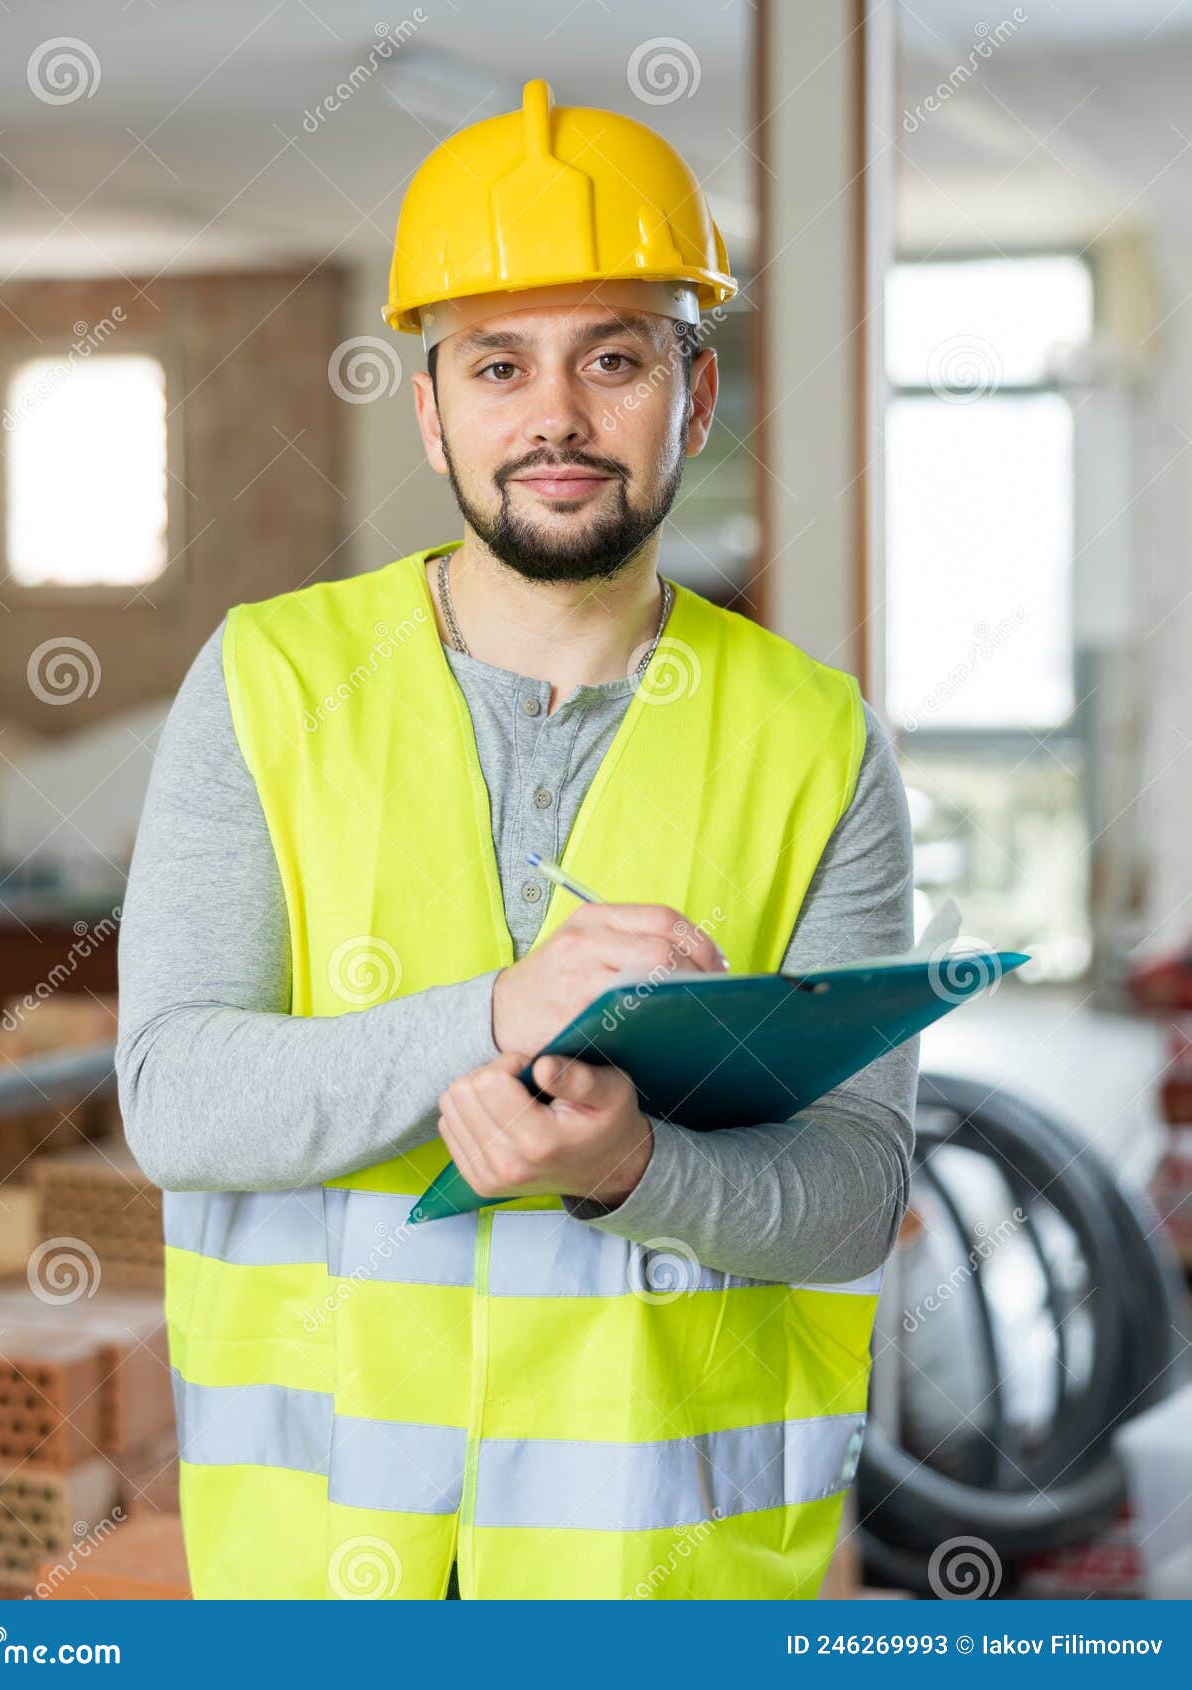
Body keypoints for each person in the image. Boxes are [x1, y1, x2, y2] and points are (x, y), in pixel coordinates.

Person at [118, 78, 917, 1601]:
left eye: (614, 358)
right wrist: (497, 1013)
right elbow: (176, 1100)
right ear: (432, 411)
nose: (556, 416)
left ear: (694, 396)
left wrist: (635, 1165)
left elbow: (856, 1197)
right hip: (327, 1576)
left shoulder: (817, 743)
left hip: (655, 1584)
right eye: (498, 364)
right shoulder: (270, 683)